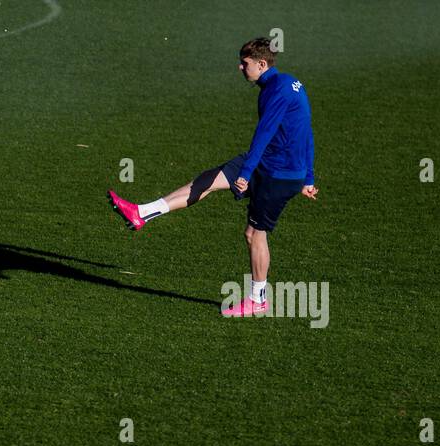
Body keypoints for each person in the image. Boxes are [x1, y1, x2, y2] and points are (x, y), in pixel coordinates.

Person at [108, 37, 318, 316]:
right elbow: (307, 130)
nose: (240, 68)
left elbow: (264, 133)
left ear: (262, 63)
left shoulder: (276, 91)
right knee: (208, 179)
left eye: (245, 64)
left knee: (255, 233)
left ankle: (258, 300)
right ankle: (141, 213)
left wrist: (251, 173)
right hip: (269, 162)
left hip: (278, 174)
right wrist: (309, 178)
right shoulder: (288, 83)